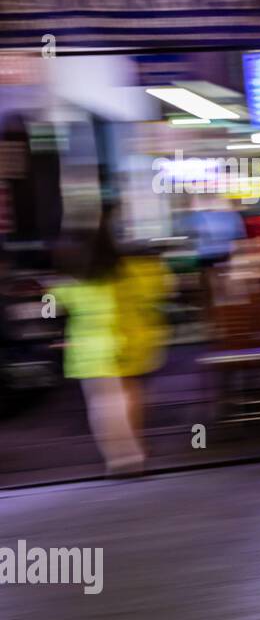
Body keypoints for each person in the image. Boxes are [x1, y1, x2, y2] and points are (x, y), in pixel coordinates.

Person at [55, 204, 172, 477]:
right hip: (131, 341)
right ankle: (134, 451)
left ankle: (118, 457)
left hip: (88, 346)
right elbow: (158, 293)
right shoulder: (136, 268)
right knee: (129, 395)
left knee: (101, 402)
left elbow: (54, 306)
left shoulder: (72, 275)